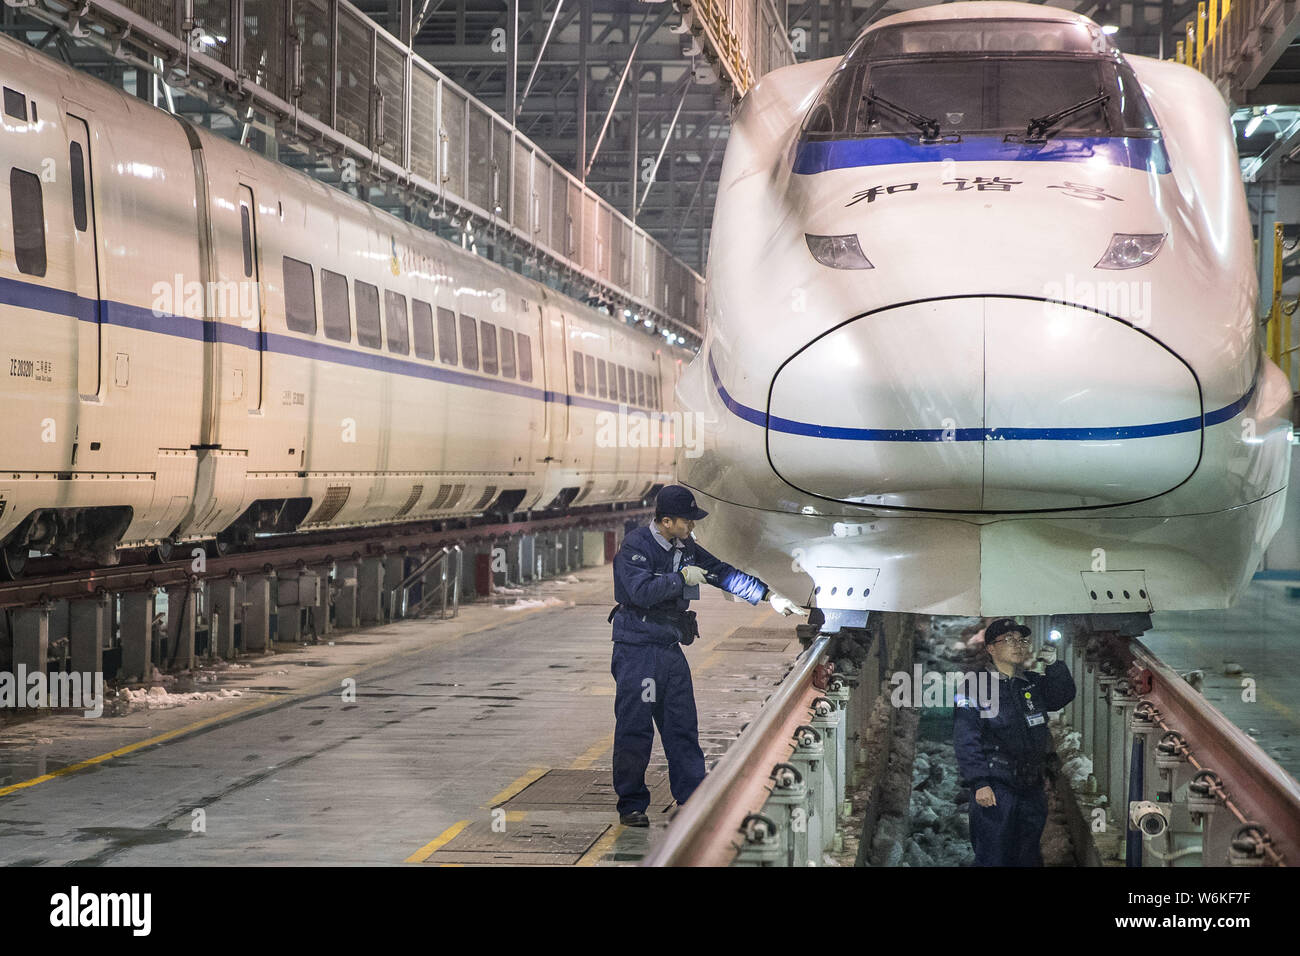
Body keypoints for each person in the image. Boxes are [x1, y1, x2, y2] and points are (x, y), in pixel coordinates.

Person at [609, 484, 803, 826]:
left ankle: (692, 798)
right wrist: (678, 578)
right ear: (666, 521)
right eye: (687, 522)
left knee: (681, 725)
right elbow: (638, 592)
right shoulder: (636, 546)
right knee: (635, 729)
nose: (692, 527)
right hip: (638, 651)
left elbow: (721, 572)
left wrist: (768, 595)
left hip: (669, 650)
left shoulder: (685, 546)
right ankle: (632, 805)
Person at [954, 617, 1075, 866]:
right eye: (1009, 640)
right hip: (997, 786)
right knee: (994, 856)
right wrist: (979, 783)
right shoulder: (974, 686)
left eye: (1022, 640)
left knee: (1028, 856)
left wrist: (1054, 666)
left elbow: (1061, 695)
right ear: (991, 648)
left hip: (1031, 786)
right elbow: (966, 738)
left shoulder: (1029, 683)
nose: (1018, 645)